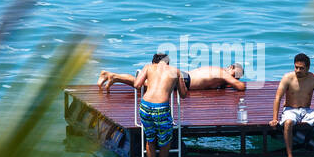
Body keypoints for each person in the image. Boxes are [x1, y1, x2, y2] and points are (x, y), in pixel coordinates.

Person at [133, 53, 189, 157]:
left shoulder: (148, 67)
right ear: (167, 63)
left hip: (145, 106)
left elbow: (137, 85)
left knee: (150, 139)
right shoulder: (175, 71)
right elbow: (183, 94)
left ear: (154, 62)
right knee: (166, 142)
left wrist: (150, 83)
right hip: (161, 109)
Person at [98, 61, 245, 94]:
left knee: (148, 84)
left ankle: (113, 77)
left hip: (185, 77)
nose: (235, 79)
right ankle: (114, 76)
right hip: (184, 80)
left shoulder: (218, 70)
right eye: (236, 75)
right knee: (147, 86)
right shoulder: (223, 73)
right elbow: (241, 87)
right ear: (231, 68)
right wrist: (235, 83)